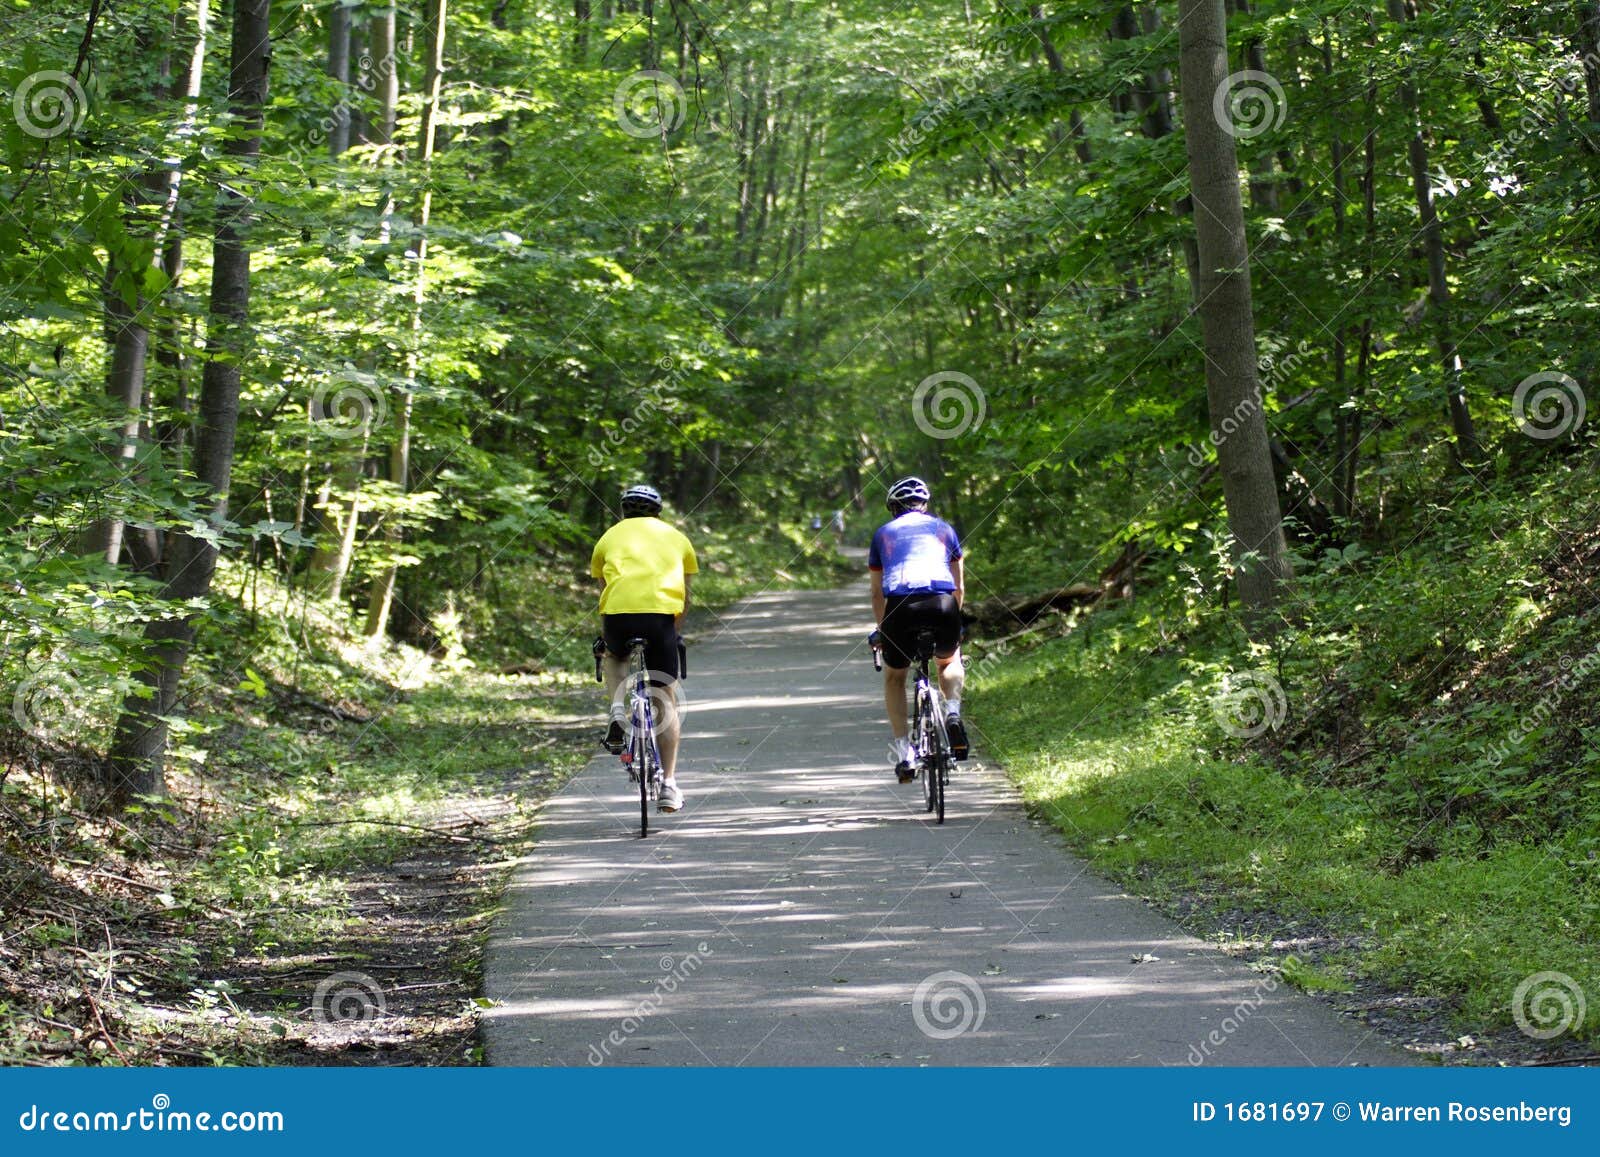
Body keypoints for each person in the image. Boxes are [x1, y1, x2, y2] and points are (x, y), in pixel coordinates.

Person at [590, 484, 698, 812]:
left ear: (624, 511)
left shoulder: (608, 537)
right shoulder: (678, 538)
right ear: (658, 512)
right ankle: (669, 785)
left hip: (618, 616)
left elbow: (604, 586)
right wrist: (672, 632)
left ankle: (617, 711)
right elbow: (686, 596)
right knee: (665, 698)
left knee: (614, 656)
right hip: (659, 617)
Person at [867, 476, 969, 783]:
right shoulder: (944, 529)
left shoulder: (883, 534)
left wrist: (882, 629)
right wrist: (955, 618)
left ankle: (905, 753)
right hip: (941, 602)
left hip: (900, 606)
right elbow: (959, 586)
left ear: (893, 508)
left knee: (895, 677)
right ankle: (952, 711)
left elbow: (876, 593)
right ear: (924, 505)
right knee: (949, 661)